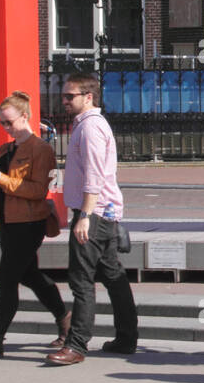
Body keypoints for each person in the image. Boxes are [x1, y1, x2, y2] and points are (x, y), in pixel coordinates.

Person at [0, 91, 67, 360]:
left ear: (25, 117)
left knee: (7, 279)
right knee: (29, 273)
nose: (6, 128)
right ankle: (64, 317)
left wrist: (2, 178)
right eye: (2, 123)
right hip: (7, 220)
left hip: (30, 221)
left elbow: (37, 190)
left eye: (9, 122)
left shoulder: (41, 149)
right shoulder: (5, 149)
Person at [47, 72, 138, 365]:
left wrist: (85, 216)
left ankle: (76, 345)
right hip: (103, 212)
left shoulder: (90, 128)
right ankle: (126, 337)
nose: (64, 101)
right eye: (63, 95)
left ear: (88, 97)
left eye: (69, 96)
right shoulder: (88, 126)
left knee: (82, 279)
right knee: (112, 275)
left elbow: (95, 175)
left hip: (94, 213)